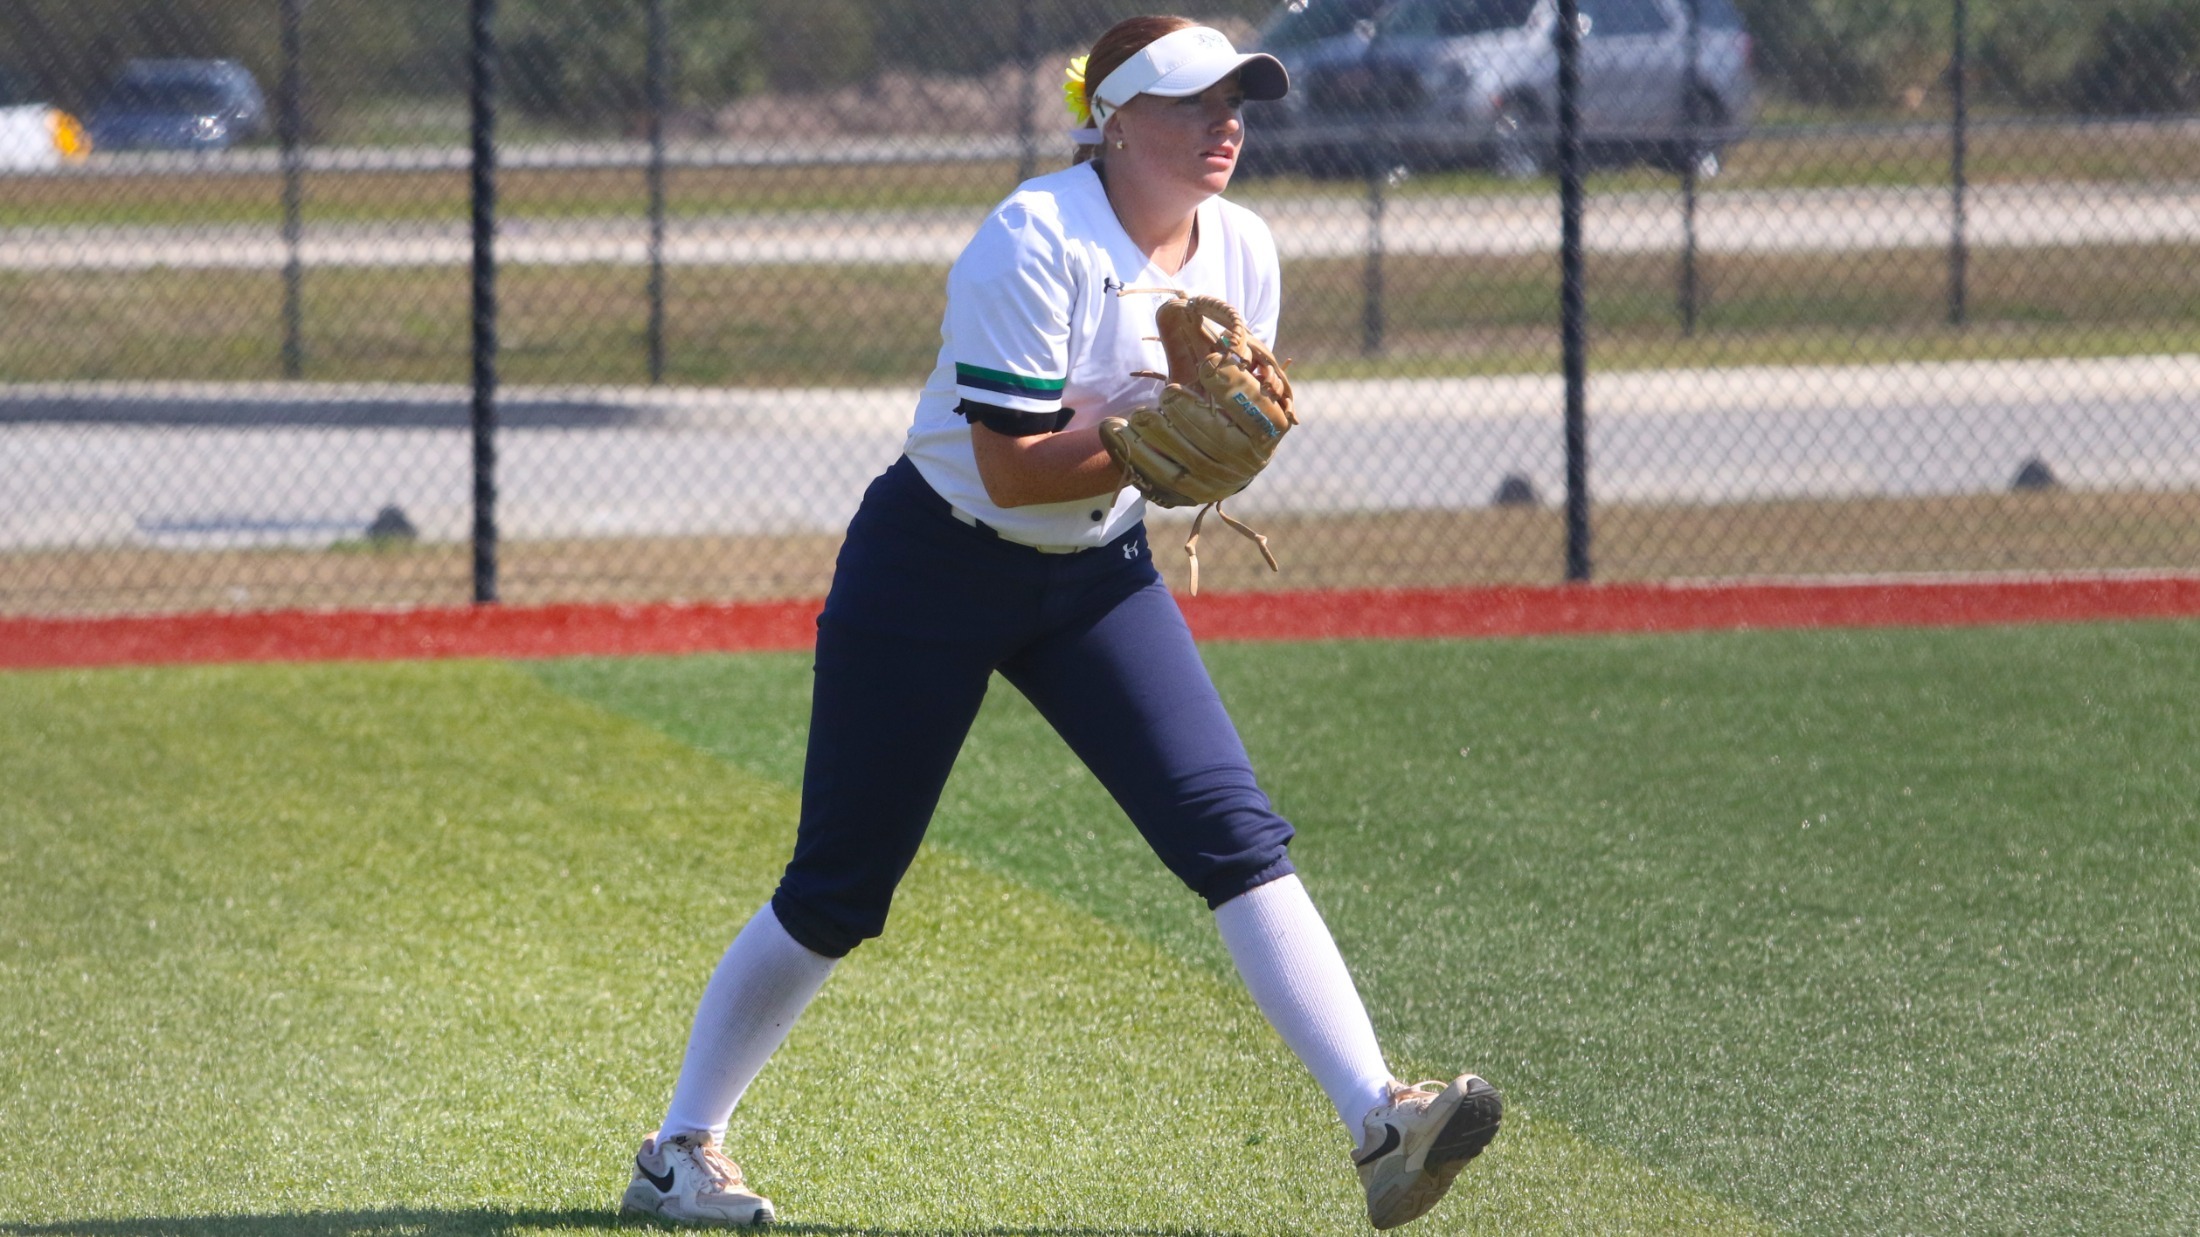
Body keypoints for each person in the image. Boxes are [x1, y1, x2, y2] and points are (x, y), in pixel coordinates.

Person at [619, 15, 1500, 1231]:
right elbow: (1013, 467)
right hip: (933, 564)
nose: (1225, 122)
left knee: (1233, 833)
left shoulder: (1243, 247)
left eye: (1238, 100)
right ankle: (678, 1149)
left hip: (1097, 575)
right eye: (1193, 101)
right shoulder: (1034, 235)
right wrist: (1152, 431)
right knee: (839, 888)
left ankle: (1380, 1119)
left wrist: (1197, 443)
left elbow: (1198, 447)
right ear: (1114, 119)